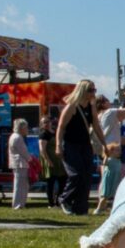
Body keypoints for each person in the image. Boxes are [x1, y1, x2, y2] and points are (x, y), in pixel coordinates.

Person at [55, 81, 102, 216]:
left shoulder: (91, 106)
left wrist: (104, 143)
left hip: (85, 144)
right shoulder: (72, 107)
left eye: (94, 90)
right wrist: (58, 145)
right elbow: (61, 127)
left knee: (87, 176)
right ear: (83, 91)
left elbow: (96, 126)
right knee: (76, 174)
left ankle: (80, 208)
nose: (93, 93)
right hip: (70, 144)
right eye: (91, 90)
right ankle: (65, 199)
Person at [93, 91, 125, 215]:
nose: (109, 101)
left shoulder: (98, 116)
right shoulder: (110, 113)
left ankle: (102, 205)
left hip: (104, 149)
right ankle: (102, 206)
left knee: (106, 177)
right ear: (103, 103)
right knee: (113, 178)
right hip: (113, 149)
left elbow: (124, 110)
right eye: (106, 100)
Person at [39, 108, 64, 208]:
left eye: (48, 121)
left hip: (58, 161)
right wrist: (48, 161)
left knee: (63, 180)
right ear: (41, 124)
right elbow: (42, 150)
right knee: (51, 183)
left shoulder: (54, 132)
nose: (47, 123)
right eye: (44, 122)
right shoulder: (43, 135)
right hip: (50, 160)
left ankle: (58, 201)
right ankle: (51, 203)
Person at [8, 118, 32, 210]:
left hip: (18, 163)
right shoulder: (17, 137)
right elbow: (24, 152)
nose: (27, 130)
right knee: (20, 185)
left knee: (21, 184)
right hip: (20, 163)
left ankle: (20, 203)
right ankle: (18, 204)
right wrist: (30, 159)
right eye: (26, 128)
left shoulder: (14, 136)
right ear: (21, 128)